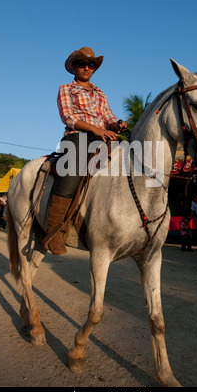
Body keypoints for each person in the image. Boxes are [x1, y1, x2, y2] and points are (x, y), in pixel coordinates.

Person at [44, 47, 127, 255]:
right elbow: (68, 118)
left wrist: (116, 125)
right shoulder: (66, 89)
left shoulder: (100, 93)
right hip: (77, 137)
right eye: (82, 64)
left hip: (102, 137)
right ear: (74, 67)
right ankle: (54, 231)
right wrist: (95, 129)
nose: (87, 68)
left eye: (91, 65)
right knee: (72, 172)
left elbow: (108, 117)